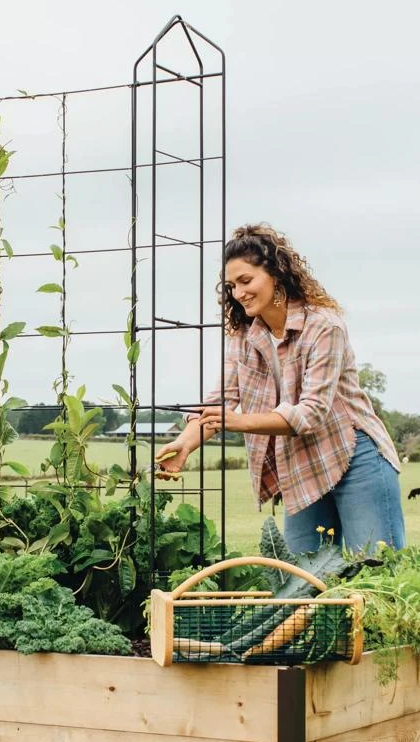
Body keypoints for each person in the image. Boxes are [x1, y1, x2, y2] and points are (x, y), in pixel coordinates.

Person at [154, 224, 405, 554]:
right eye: (231, 286)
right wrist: (184, 444)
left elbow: (311, 413)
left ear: (275, 274)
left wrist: (238, 421)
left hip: (353, 453)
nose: (239, 293)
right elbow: (220, 402)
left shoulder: (323, 326)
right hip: (302, 462)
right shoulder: (244, 336)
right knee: (299, 580)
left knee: (376, 570)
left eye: (246, 281)